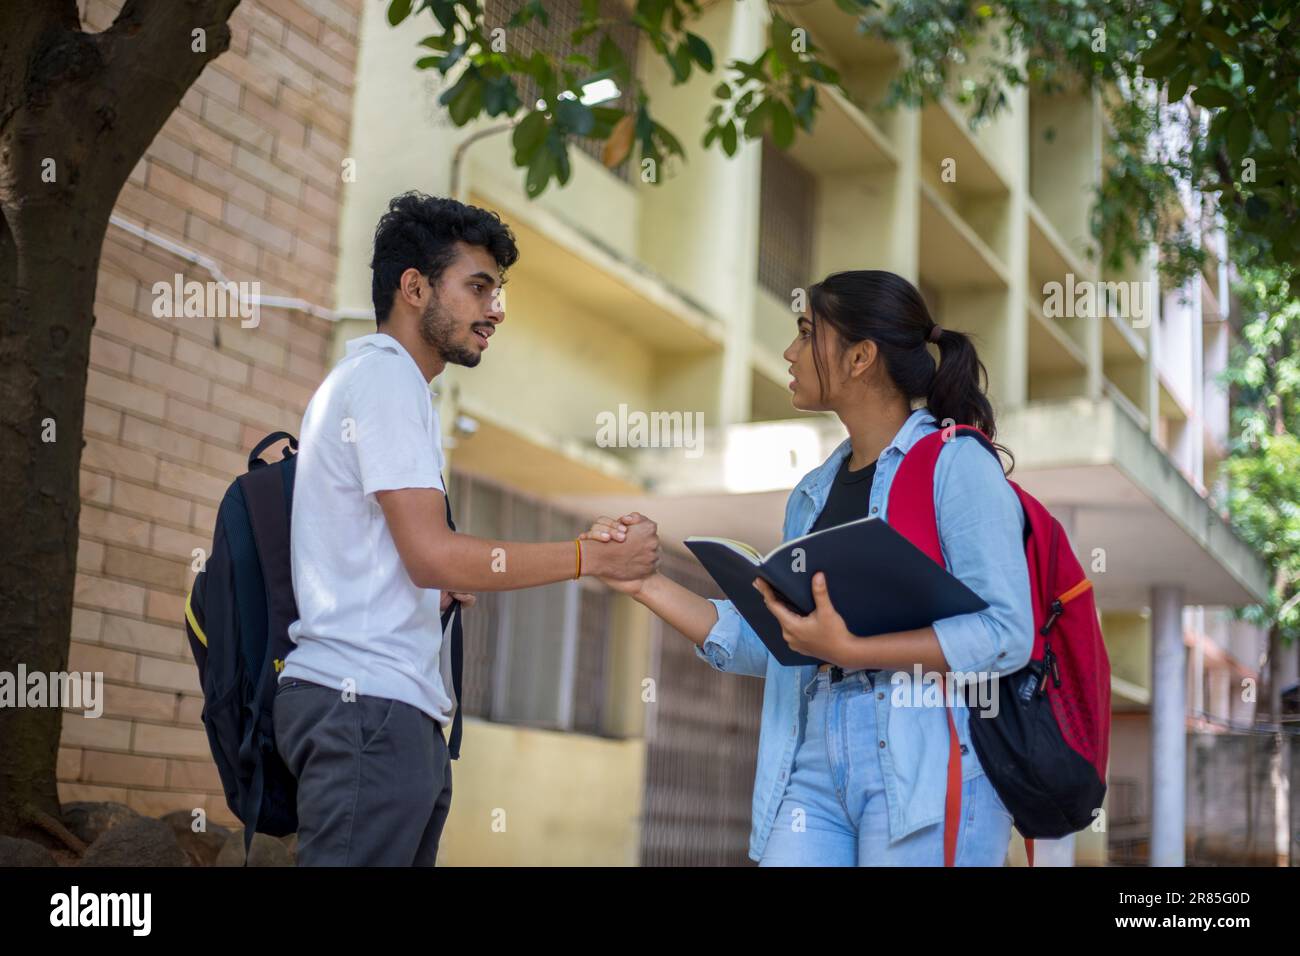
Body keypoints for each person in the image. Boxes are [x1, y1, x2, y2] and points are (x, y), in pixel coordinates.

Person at [583, 270, 1033, 866]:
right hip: (811, 757)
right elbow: (782, 642)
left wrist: (855, 650)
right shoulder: (812, 494)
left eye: (805, 334)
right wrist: (645, 582)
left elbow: (1007, 633)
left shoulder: (956, 465)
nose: (790, 353)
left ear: (860, 357)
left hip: (926, 762)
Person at [275, 192, 660, 866]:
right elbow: (433, 555)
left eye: (499, 290)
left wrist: (434, 588)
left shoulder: (386, 385)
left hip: (381, 710)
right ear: (414, 286)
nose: (496, 310)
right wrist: (591, 558)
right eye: (478, 287)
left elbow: (407, 559)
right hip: (367, 708)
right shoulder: (386, 380)